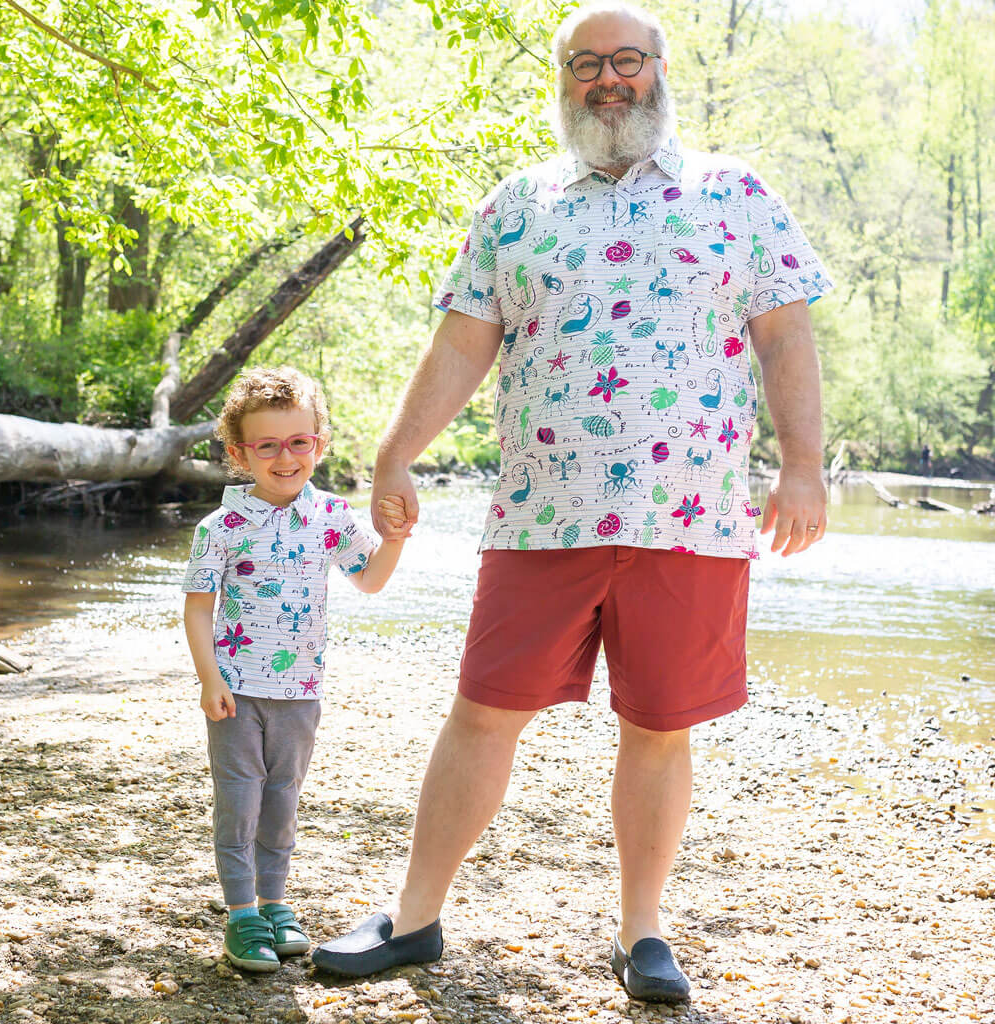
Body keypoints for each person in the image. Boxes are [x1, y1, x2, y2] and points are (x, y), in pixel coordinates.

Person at [313, 1, 832, 1003]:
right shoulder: (519, 203)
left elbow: (783, 337)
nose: (608, 80)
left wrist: (803, 467)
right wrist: (392, 453)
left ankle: (641, 933)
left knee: (658, 725)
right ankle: (413, 916)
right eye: (586, 64)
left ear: (660, 69)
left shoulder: (736, 195)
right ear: (563, 81)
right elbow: (464, 339)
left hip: (691, 515)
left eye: (626, 60)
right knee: (482, 713)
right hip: (542, 511)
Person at [182, 366, 405, 972]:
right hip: (236, 690)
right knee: (240, 800)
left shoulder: (330, 515)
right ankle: (241, 915)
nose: (286, 457)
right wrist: (209, 678)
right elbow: (198, 609)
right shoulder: (219, 528)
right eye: (268, 445)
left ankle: (275, 902)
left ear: (318, 445)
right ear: (239, 453)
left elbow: (371, 579)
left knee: (282, 800)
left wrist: (398, 537)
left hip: (301, 690)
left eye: (299, 442)